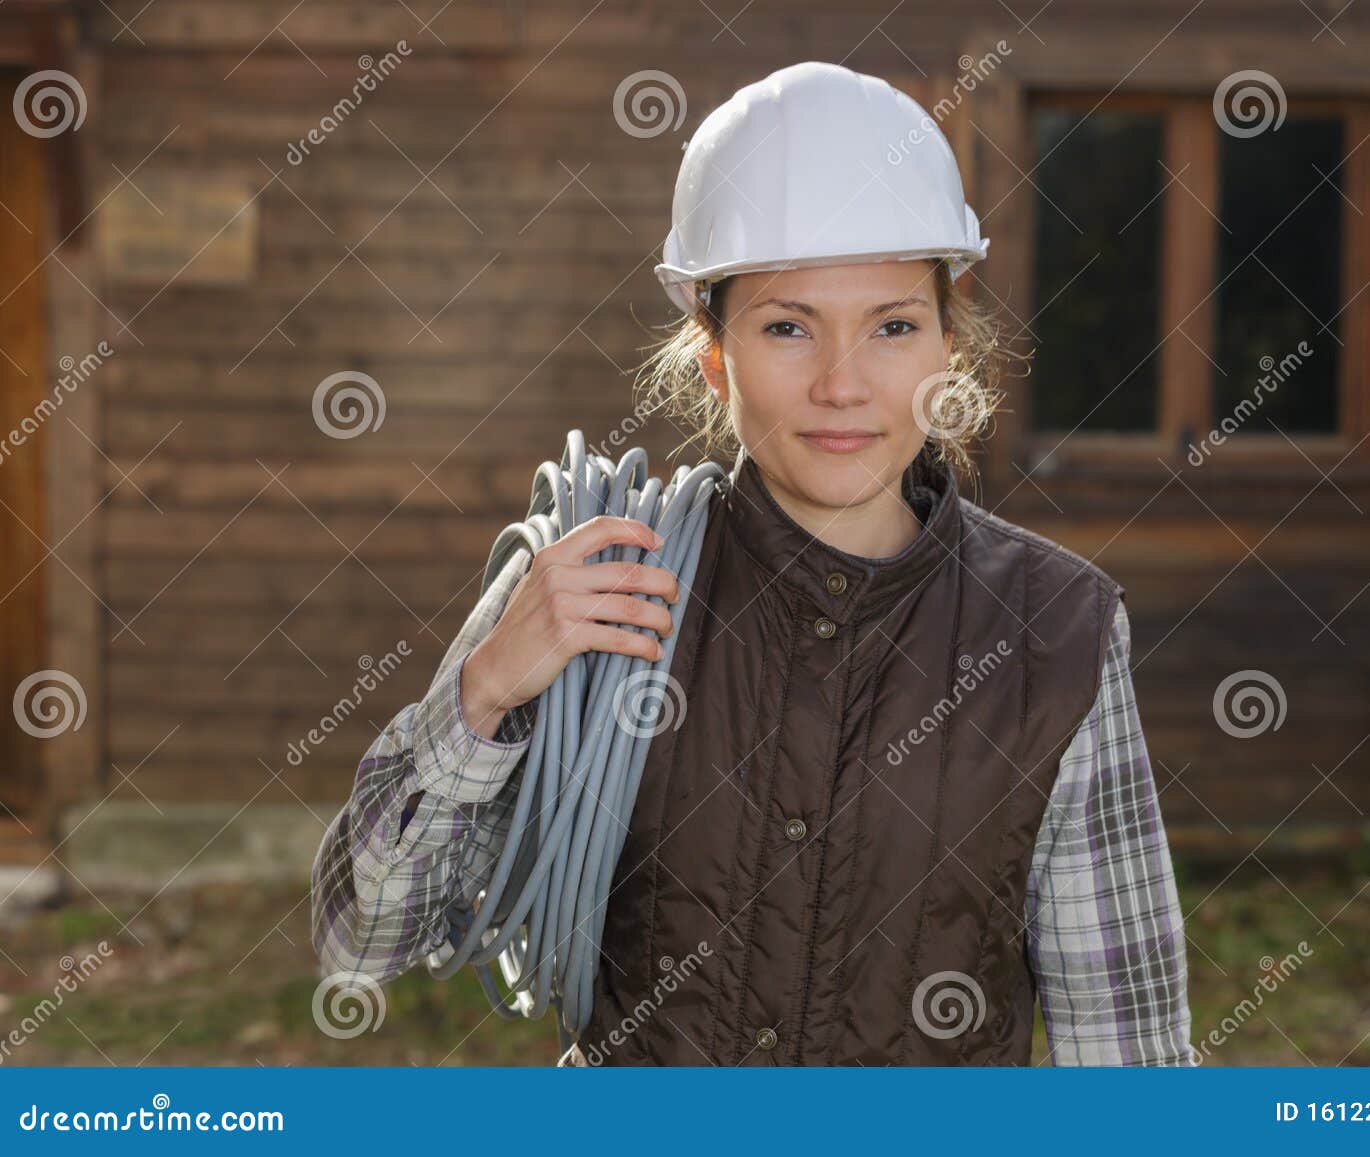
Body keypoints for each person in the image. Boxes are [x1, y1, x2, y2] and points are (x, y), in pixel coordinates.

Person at [310, 60, 1197, 1067]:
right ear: (714, 356)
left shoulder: (1056, 629)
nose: (841, 384)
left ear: (948, 349)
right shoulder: (590, 583)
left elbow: (1128, 1057)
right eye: (787, 327)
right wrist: (481, 696)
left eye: (893, 326)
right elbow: (363, 935)